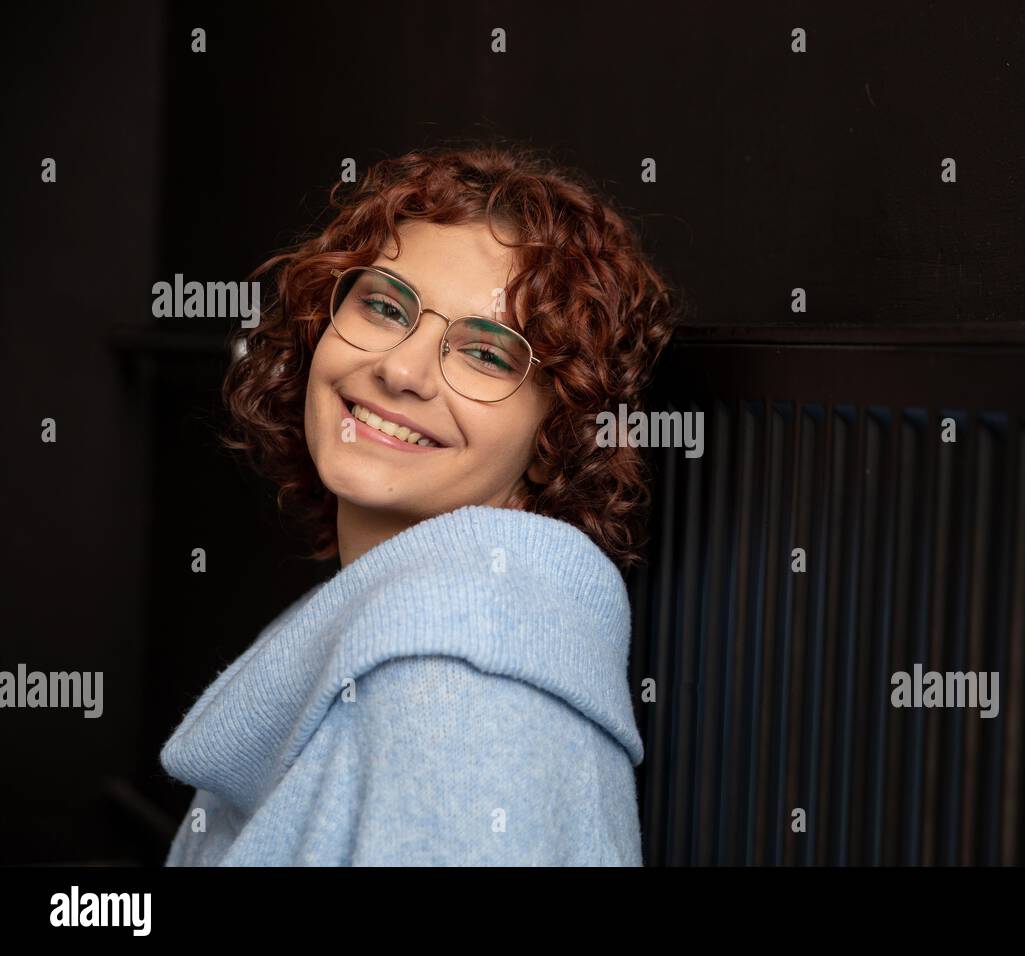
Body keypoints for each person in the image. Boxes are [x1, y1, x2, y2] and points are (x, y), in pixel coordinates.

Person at [158, 143, 680, 865]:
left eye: (486, 353)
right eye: (383, 305)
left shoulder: (465, 695)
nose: (400, 370)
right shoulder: (400, 625)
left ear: (558, 434)